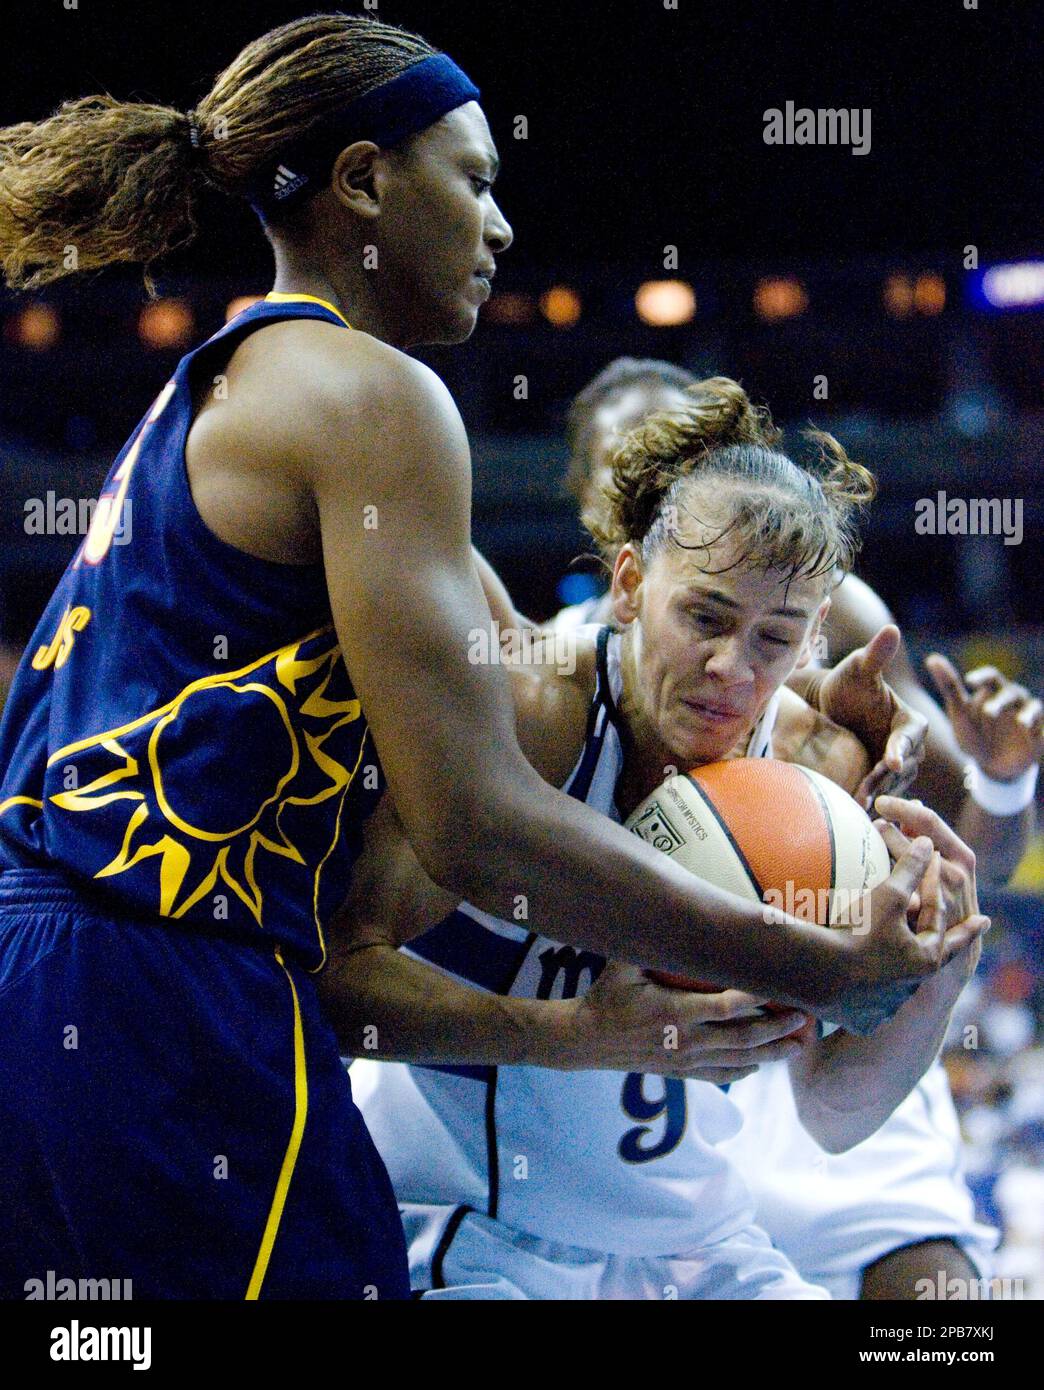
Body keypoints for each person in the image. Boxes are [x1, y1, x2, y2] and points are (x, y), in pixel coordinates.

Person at [0, 15, 958, 1300]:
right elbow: (475, 823)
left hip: (78, 963)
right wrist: (799, 958)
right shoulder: (371, 395)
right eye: (477, 180)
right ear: (363, 181)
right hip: (157, 974)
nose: (502, 227)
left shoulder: (228, 385)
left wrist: (827, 764)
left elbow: (483, 679)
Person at [330, 377, 987, 1298]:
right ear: (633, 585)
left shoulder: (819, 774)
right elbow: (334, 990)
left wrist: (934, 978)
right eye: (707, 618)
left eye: (774, 638)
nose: (731, 668)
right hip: (473, 1232)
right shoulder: (527, 718)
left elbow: (833, 1113)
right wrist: (581, 1036)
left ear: (811, 644)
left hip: (699, 1247)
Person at [545, 358, 1039, 1298]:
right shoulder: (554, 674)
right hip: (662, 1084)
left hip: (820, 1014)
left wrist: (1002, 787)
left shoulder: (836, 619)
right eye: (631, 460)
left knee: (938, 1310)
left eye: (683, 440)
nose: (660, 467)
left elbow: (966, 851)